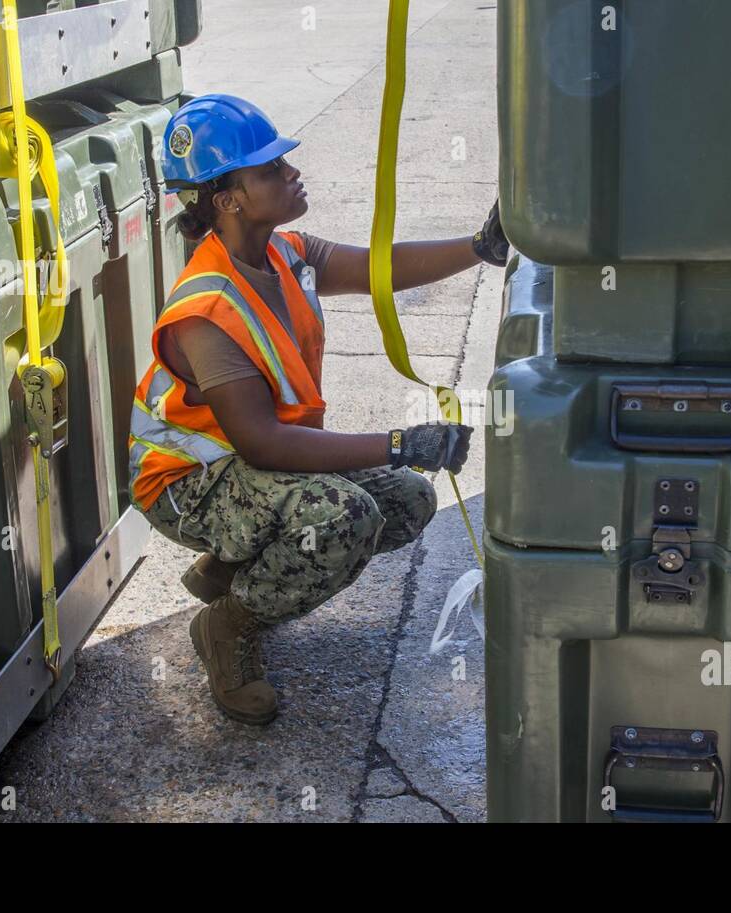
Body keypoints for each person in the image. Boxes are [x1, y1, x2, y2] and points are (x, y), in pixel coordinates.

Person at [128, 94, 508, 725]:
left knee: (408, 501)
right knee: (344, 518)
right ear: (228, 200)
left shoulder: (287, 254)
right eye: (271, 169)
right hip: (186, 481)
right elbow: (264, 446)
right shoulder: (207, 311)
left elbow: (379, 270)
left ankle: (232, 566)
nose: (291, 172)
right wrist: (397, 442)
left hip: (245, 464)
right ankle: (229, 627)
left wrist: (479, 247)